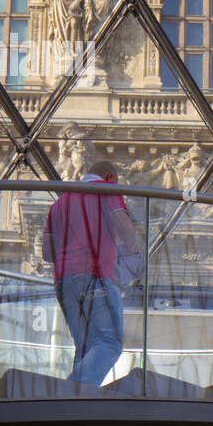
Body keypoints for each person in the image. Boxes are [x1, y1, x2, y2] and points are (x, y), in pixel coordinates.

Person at [40, 161, 143, 385]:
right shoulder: (106, 191)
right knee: (109, 343)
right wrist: (136, 248)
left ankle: (75, 401)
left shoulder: (59, 204)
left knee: (86, 348)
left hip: (64, 283)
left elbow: (47, 253)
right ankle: (70, 392)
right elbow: (128, 234)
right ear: (110, 178)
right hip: (95, 276)